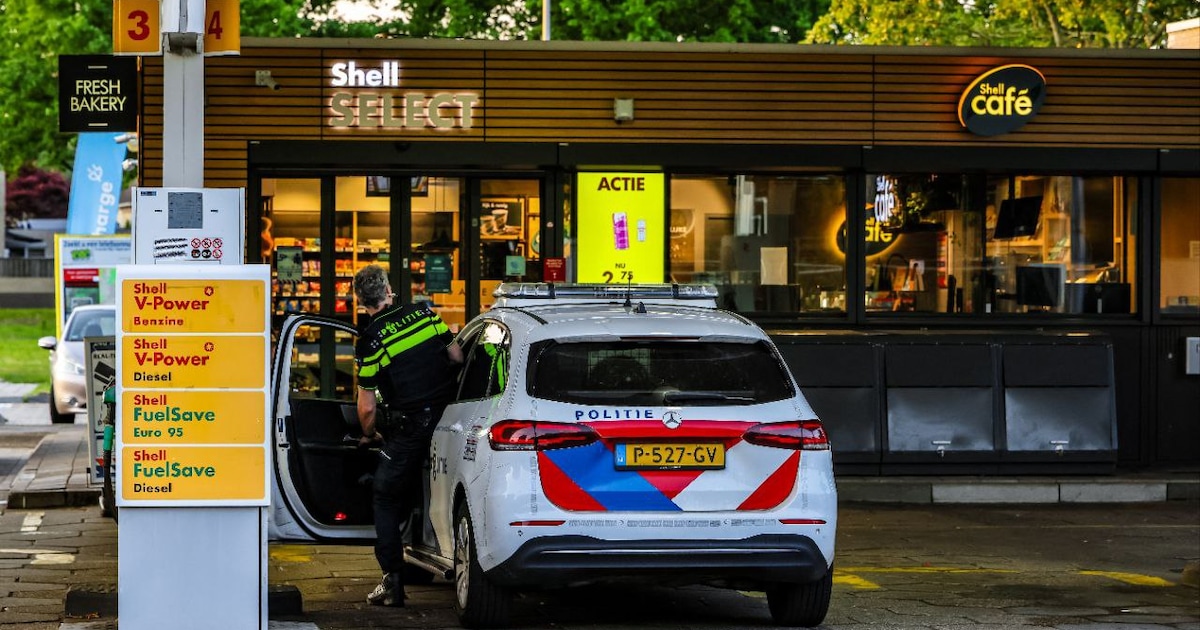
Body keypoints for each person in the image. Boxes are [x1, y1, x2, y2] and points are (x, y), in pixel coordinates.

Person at [352, 264, 463, 607]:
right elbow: (456, 355)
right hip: (450, 418)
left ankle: (393, 581)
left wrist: (370, 434)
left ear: (360, 301)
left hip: (411, 427)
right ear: (388, 290)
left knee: (385, 495)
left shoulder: (371, 340)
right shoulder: (424, 314)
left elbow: (366, 408)